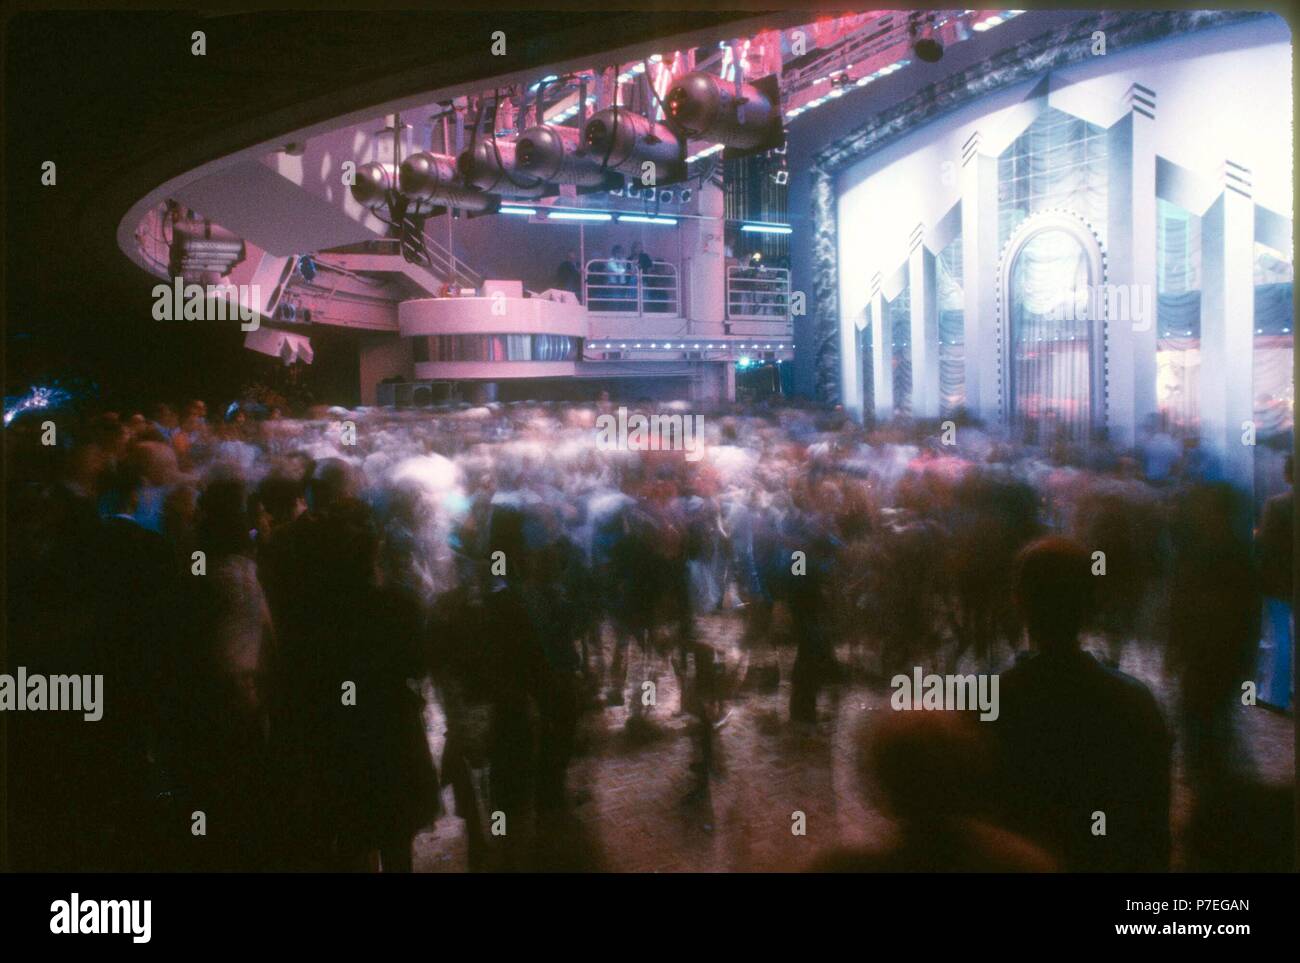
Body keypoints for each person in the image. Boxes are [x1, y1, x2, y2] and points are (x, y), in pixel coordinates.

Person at [990, 536, 1172, 871]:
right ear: (1090, 606)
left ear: (1018, 602)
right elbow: (1152, 820)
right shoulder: (1135, 701)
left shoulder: (993, 700)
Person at [1257, 455, 1294, 710]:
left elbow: (1265, 546)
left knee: (1278, 636)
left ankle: (1275, 695)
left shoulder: (1278, 505)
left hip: (1281, 580)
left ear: (1288, 474)